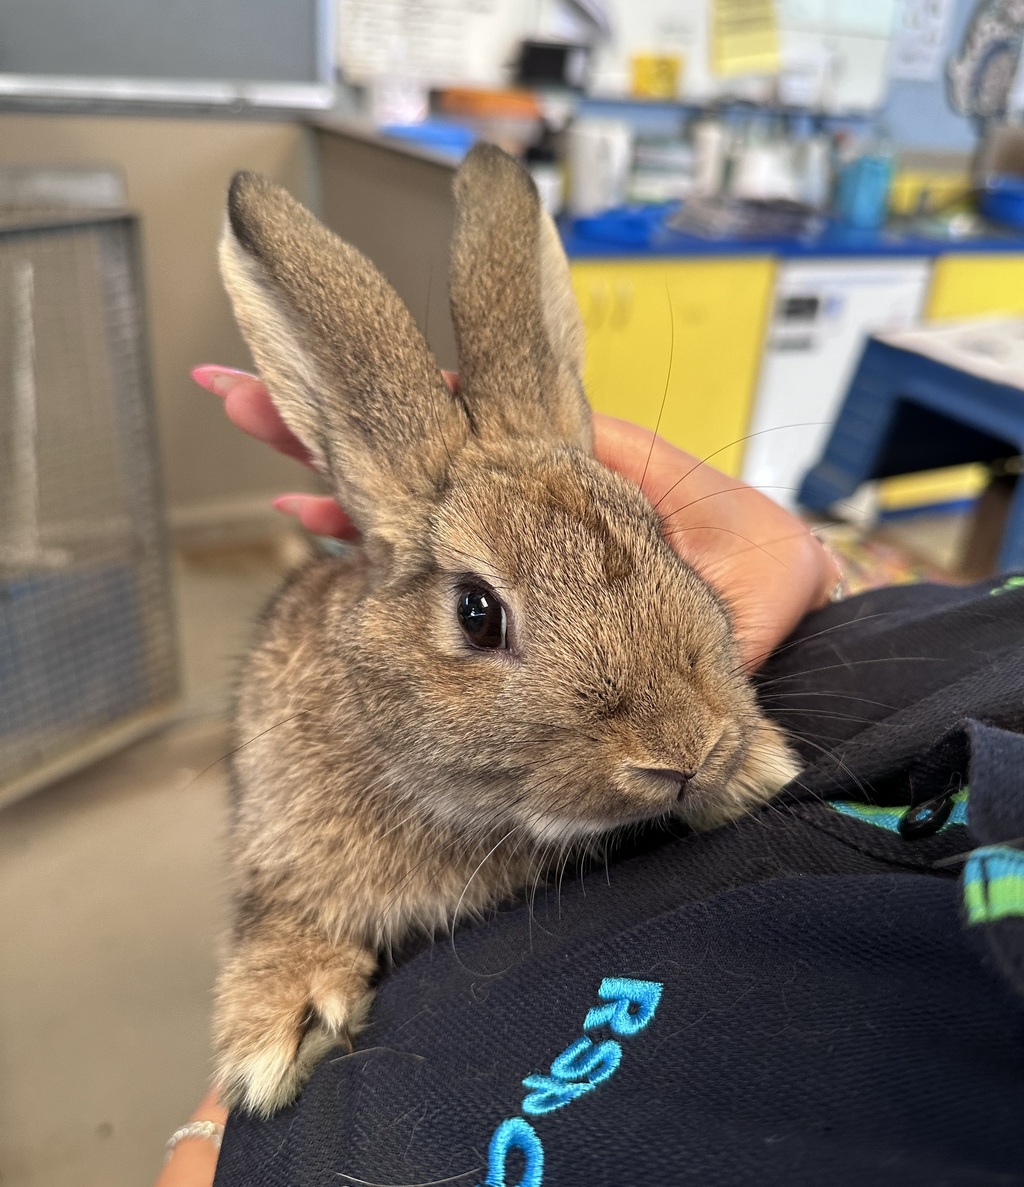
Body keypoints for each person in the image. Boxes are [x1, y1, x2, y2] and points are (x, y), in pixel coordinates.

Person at [156, 368, 1024, 1187]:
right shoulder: (320, 743)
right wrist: (286, 939)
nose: (682, 743)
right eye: (480, 616)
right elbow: (280, 861)